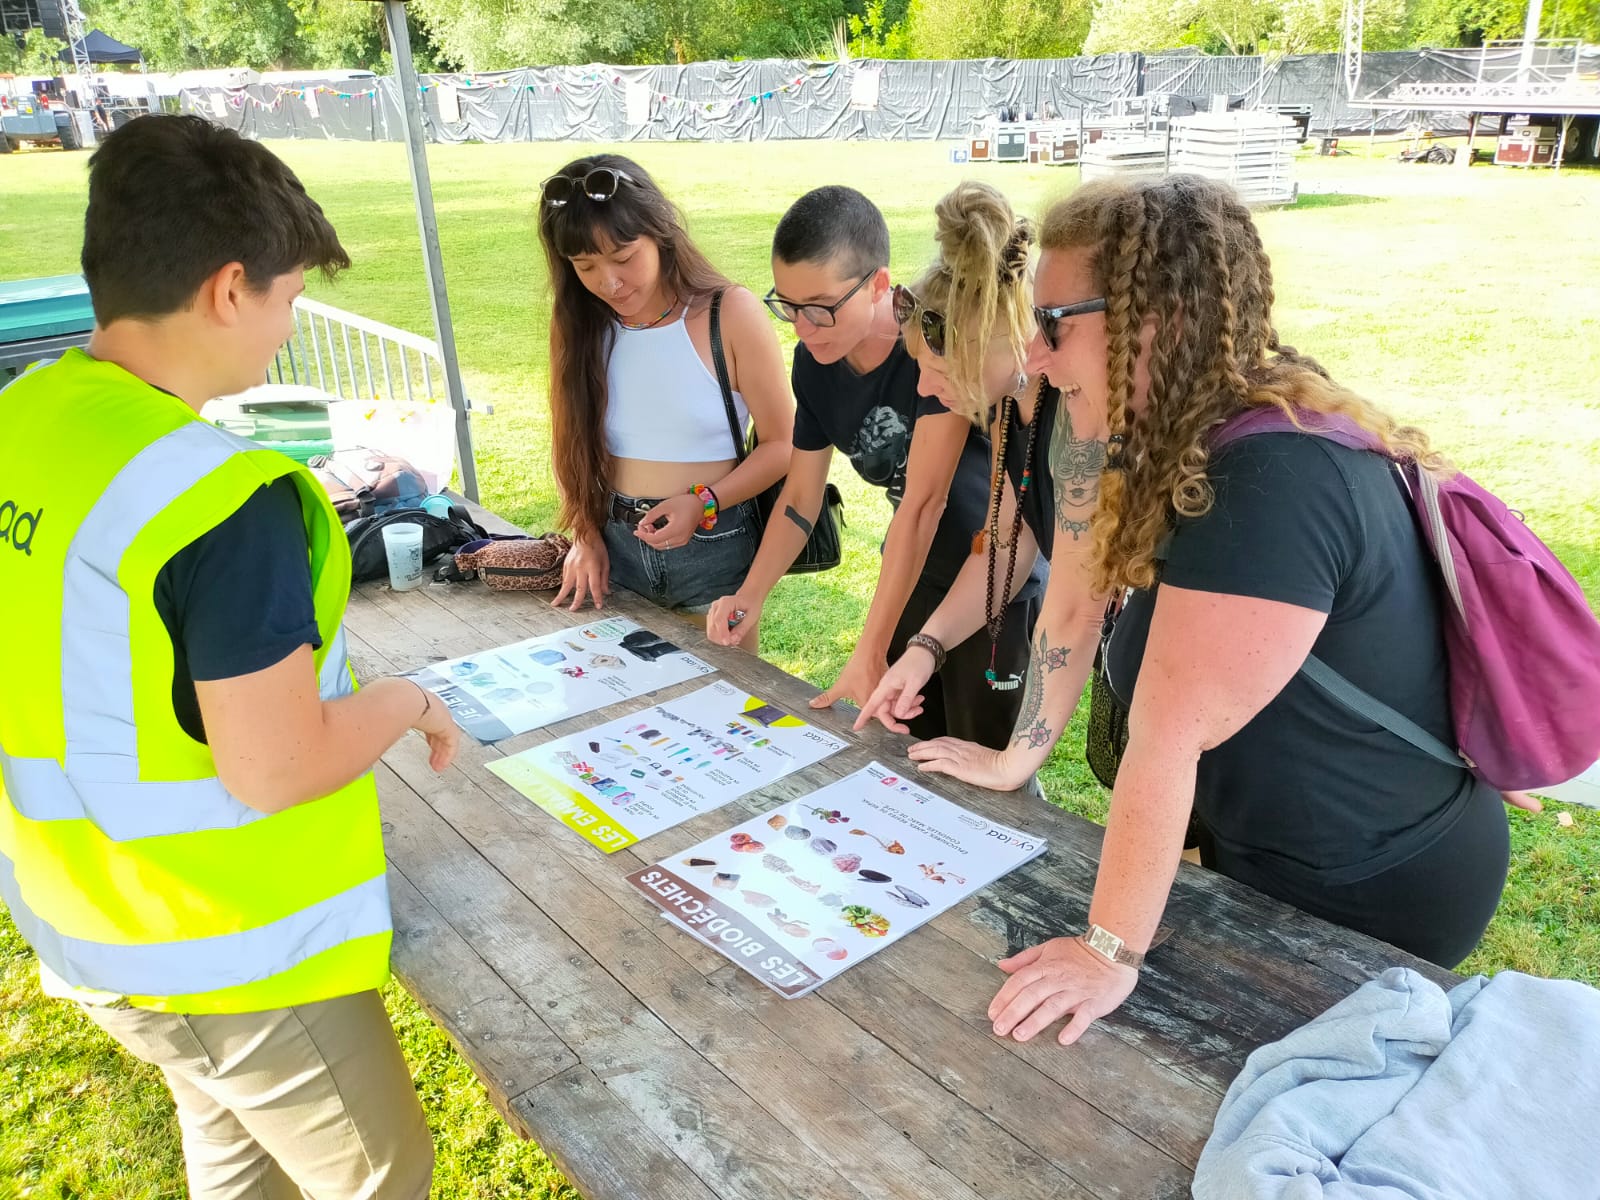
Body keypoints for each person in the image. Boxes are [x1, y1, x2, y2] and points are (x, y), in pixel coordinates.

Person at [872, 175, 1513, 1045]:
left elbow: (1168, 732)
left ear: (1156, 319)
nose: (1040, 351)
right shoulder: (1190, 431)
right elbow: (1071, 606)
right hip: (1269, 852)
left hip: (1371, 886)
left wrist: (1107, 951)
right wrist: (1015, 759)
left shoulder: (1269, 479)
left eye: (1056, 322)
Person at [0, 114, 460, 1199]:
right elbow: (274, 765)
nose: (288, 331)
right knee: (380, 1170)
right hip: (219, 944)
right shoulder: (218, 499)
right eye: (290, 300)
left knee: (234, 1151)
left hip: (92, 911)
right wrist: (401, 698)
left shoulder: (26, 415)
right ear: (227, 288)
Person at [706, 183, 1042, 747]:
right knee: (910, 746)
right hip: (913, 575)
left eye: (819, 309)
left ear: (880, 285)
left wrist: (871, 648)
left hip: (991, 578)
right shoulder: (820, 363)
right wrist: (752, 593)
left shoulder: (940, 338)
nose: (801, 328)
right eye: (788, 308)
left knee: (984, 754)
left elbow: (925, 505)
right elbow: (800, 496)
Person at [537, 153, 793, 621]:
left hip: (713, 544)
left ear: (661, 232)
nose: (609, 282)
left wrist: (703, 502)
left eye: (623, 257)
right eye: (584, 265)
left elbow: (783, 445)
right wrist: (585, 536)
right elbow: (568, 441)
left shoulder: (728, 313)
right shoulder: (578, 323)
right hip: (614, 550)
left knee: (725, 692)